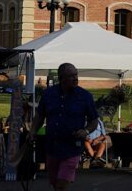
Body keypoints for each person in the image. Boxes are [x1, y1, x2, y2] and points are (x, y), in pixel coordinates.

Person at [32, 63, 99, 191]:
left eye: (76, 75)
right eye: (71, 76)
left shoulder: (85, 96)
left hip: (72, 148)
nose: (76, 78)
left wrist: (85, 131)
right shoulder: (48, 94)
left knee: (62, 185)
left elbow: (94, 120)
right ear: (61, 78)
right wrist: (32, 131)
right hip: (52, 147)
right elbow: (40, 115)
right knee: (55, 184)